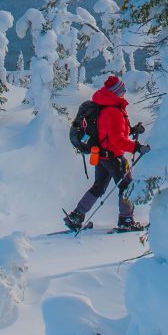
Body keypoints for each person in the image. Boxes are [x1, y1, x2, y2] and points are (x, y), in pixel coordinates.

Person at [63, 74, 147, 231]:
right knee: (126, 187)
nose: (125, 92)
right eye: (122, 89)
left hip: (101, 155)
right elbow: (117, 141)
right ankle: (126, 220)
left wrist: (133, 130)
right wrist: (136, 147)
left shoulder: (105, 106)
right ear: (116, 92)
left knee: (99, 187)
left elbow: (108, 135)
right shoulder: (113, 112)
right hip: (114, 158)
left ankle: (76, 216)